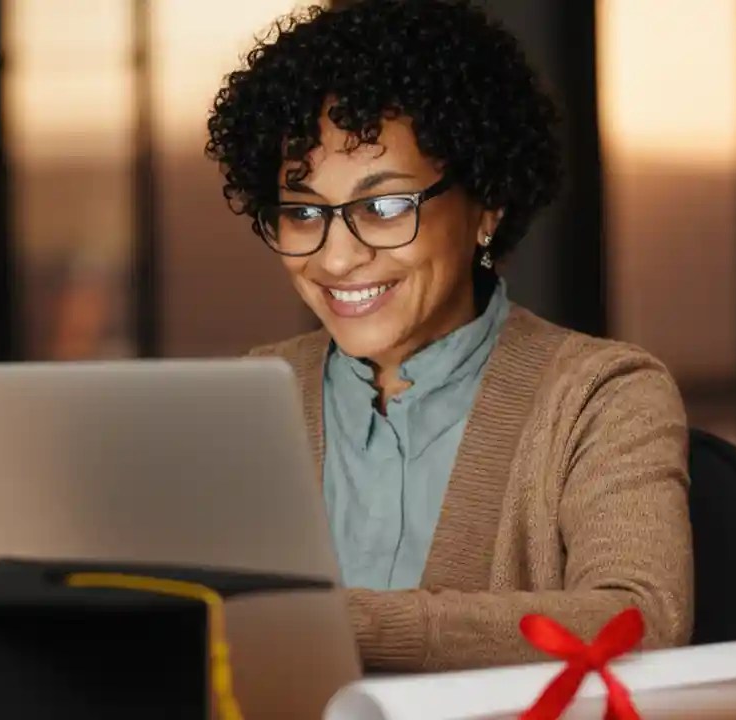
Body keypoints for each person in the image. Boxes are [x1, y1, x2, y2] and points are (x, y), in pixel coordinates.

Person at [205, 0, 692, 672]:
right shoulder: (254, 395)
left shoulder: (600, 395)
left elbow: (640, 621)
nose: (336, 258)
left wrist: (331, 622)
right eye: (302, 211)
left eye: (382, 206)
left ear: (486, 202)